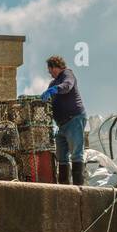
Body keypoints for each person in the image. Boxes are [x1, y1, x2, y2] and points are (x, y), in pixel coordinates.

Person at [42, 55, 86, 186]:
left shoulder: (68, 74)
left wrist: (56, 89)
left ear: (56, 66)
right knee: (61, 156)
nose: (50, 74)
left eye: (51, 70)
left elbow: (67, 86)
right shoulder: (52, 83)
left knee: (76, 153)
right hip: (61, 125)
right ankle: (64, 187)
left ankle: (79, 188)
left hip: (74, 119)